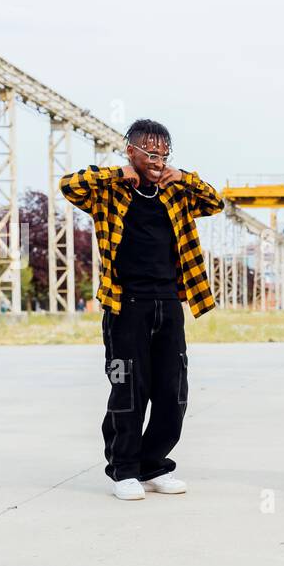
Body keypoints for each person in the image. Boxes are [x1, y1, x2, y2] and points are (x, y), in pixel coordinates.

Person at [59, 118, 223, 501]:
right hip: (125, 307)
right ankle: (124, 470)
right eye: (150, 153)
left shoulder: (175, 192)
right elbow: (69, 185)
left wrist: (184, 176)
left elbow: (215, 202)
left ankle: (153, 466)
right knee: (129, 389)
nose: (158, 161)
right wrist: (120, 173)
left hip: (169, 305)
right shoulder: (109, 192)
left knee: (173, 392)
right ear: (130, 150)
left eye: (164, 154)